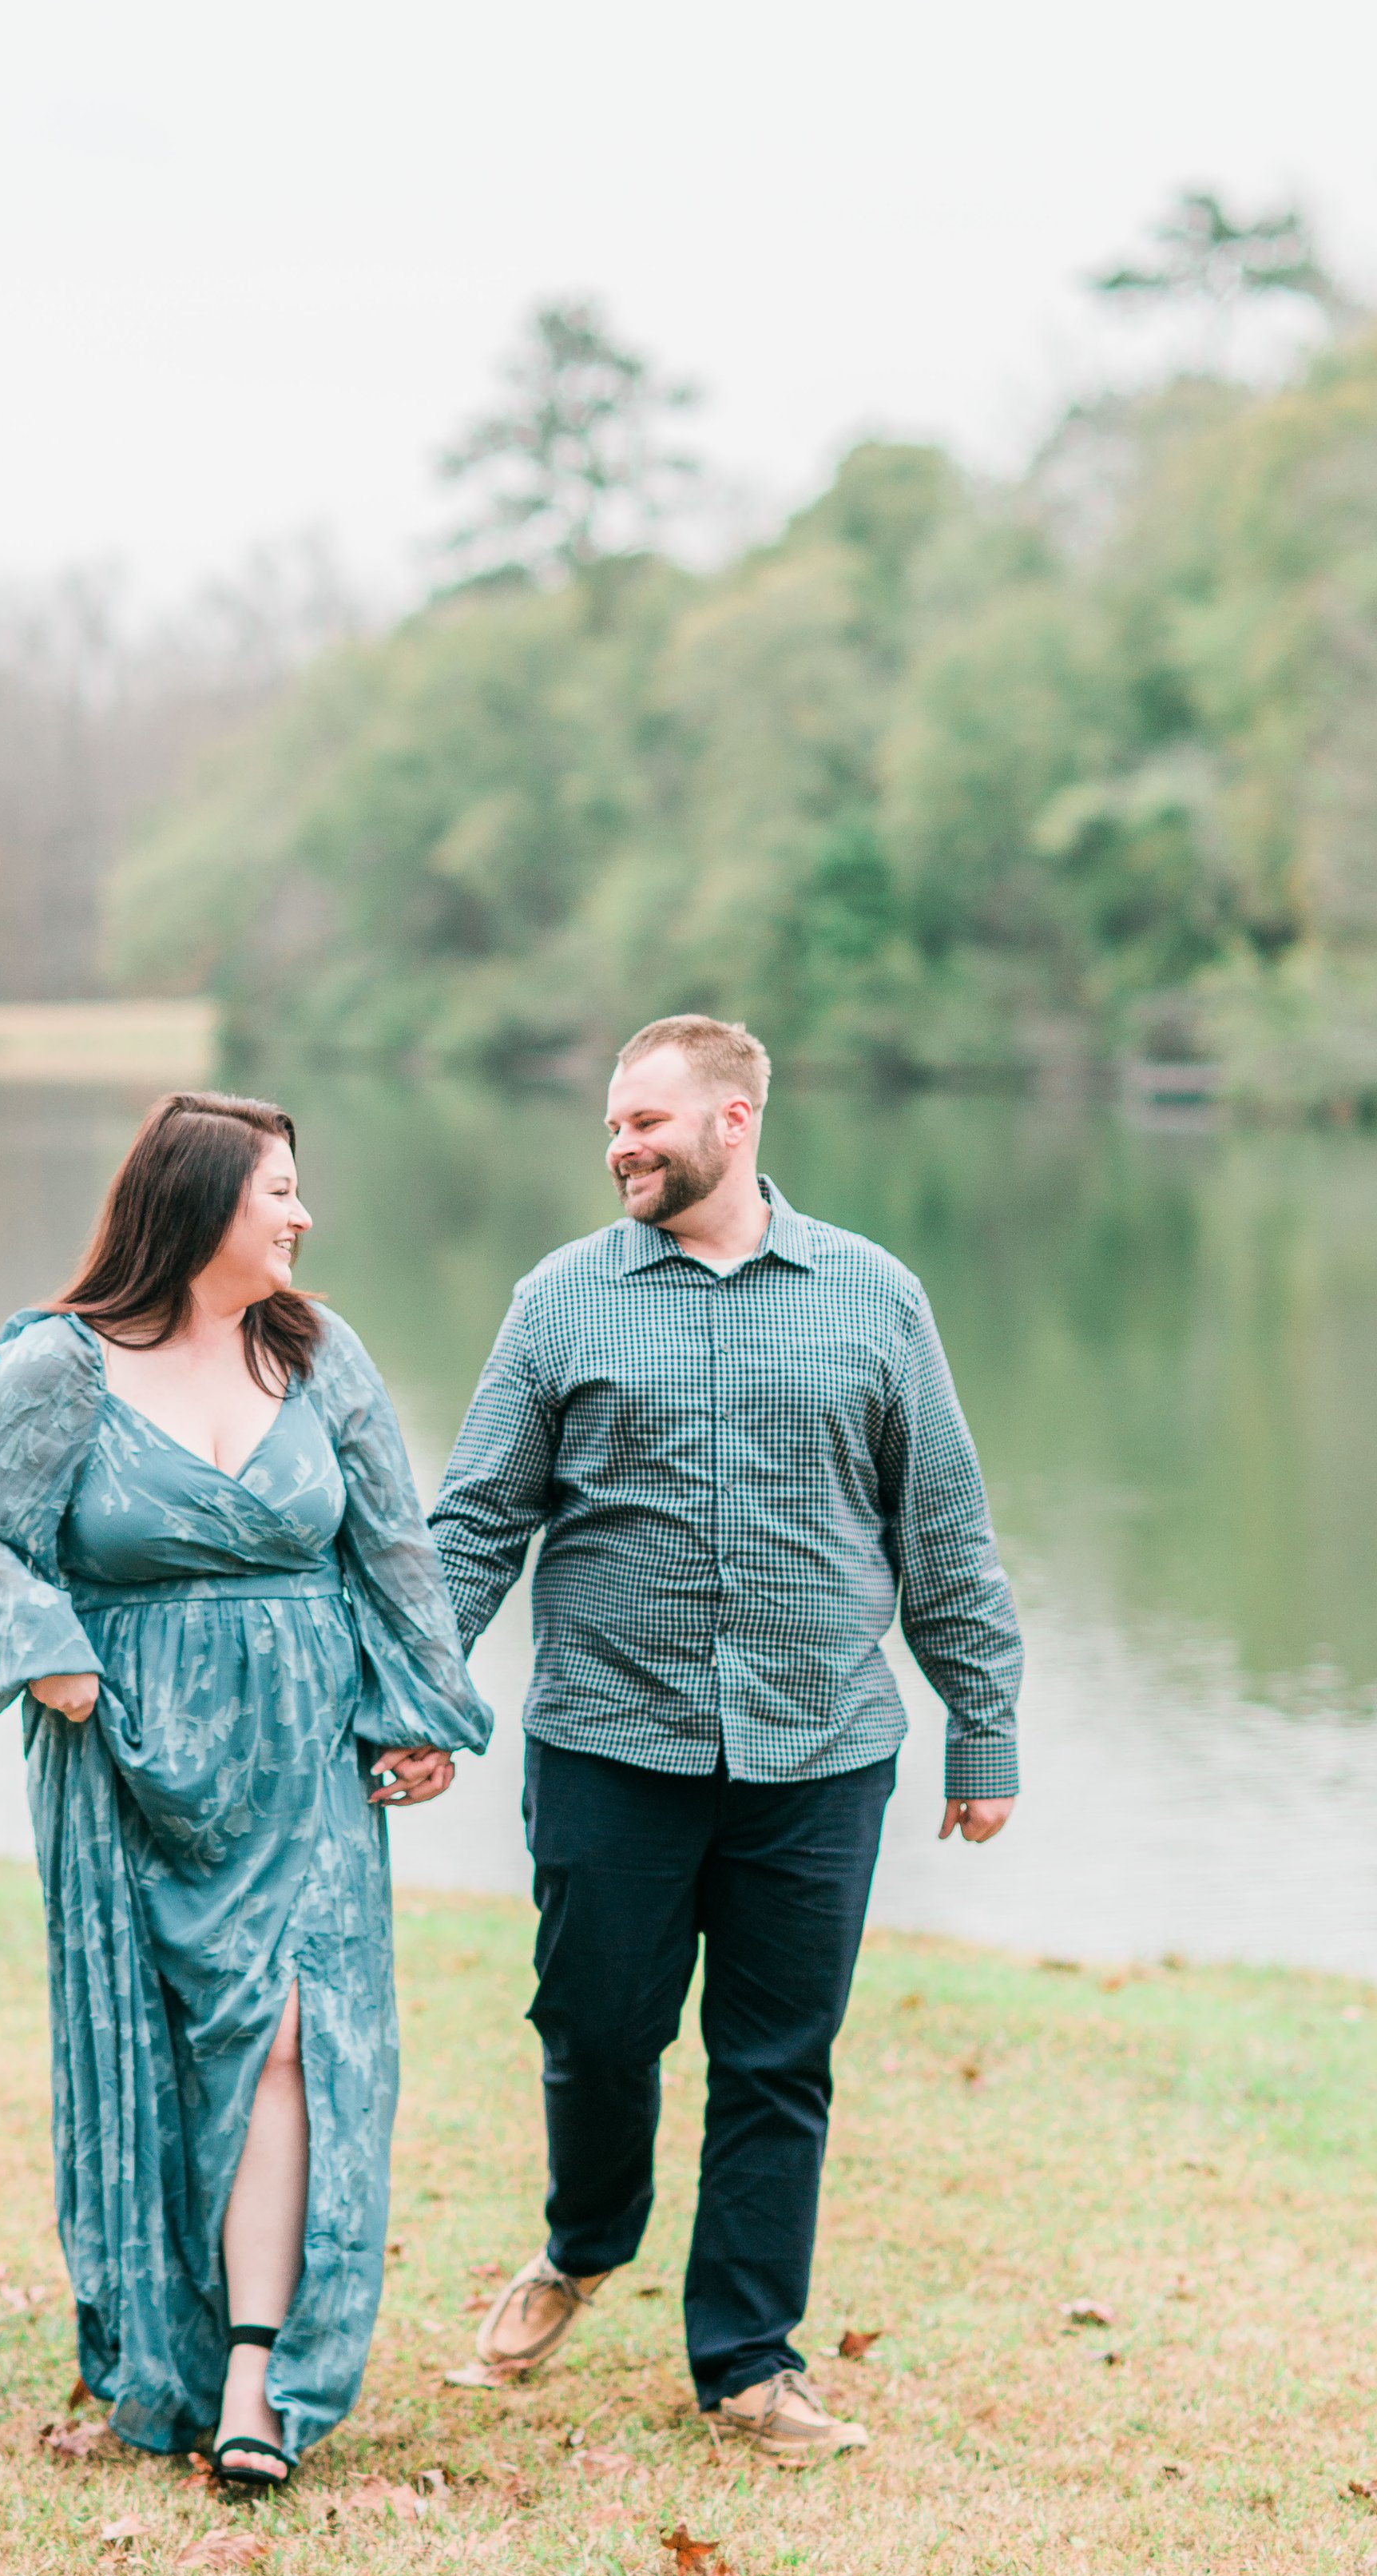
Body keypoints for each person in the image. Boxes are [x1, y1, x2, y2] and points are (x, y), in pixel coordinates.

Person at [429, 1014, 1022, 2467]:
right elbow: (477, 1524)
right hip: (608, 1743)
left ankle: (748, 2360)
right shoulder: (560, 1300)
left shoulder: (874, 1297)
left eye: (648, 1120)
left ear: (737, 1121)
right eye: (614, 1123)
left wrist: (984, 1725)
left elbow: (939, 1525)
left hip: (820, 1752)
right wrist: (412, 1690)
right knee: (595, 2027)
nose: (621, 1142)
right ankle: (583, 2239)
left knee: (776, 2060)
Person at [0, 1091, 489, 2487]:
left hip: (304, 1749)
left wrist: (422, 1709)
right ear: (197, 1206)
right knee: (160, 2051)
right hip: (127, 1751)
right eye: (279, 1191)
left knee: (296, 2039)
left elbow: (395, 1550)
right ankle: (164, 2350)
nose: (303, 1216)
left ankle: (259, 2376)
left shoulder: (321, 1353)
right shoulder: (61, 1368)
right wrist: (50, 1659)